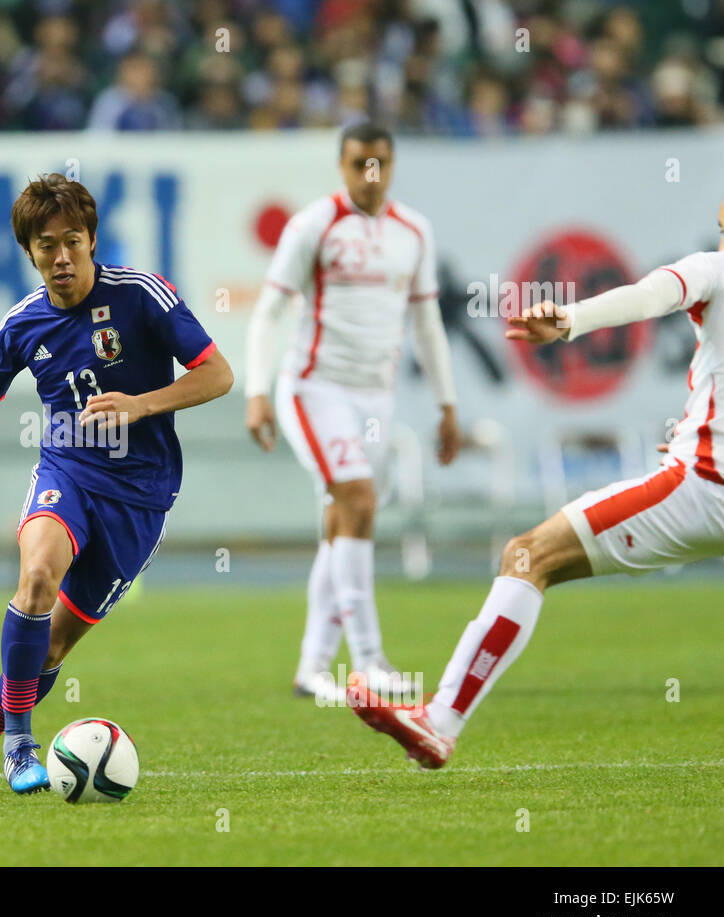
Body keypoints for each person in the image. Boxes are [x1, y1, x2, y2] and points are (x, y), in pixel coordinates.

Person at [0, 173, 232, 795]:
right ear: (30, 252)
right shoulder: (21, 324)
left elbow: (218, 375)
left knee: (48, 654)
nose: (61, 256)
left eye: (72, 241)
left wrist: (141, 405)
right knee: (37, 575)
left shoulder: (144, 296)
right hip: (67, 473)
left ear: (92, 240)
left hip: (140, 498)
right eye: (46, 245)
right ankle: (18, 744)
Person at [352, 201, 724, 768]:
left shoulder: (714, 269)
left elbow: (653, 293)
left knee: (529, 555)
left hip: (704, 487)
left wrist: (573, 319)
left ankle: (440, 721)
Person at [244, 122, 460, 702]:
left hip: (375, 399)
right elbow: (269, 311)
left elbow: (427, 323)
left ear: (392, 165)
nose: (372, 175)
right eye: (360, 163)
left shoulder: (414, 231)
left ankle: (313, 668)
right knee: (357, 500)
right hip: (314, 389)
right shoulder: (315, 225)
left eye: (381, 163)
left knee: (342, 523)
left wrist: (447, 403)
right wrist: (257, 391)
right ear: (342, 166)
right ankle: (369, 662)